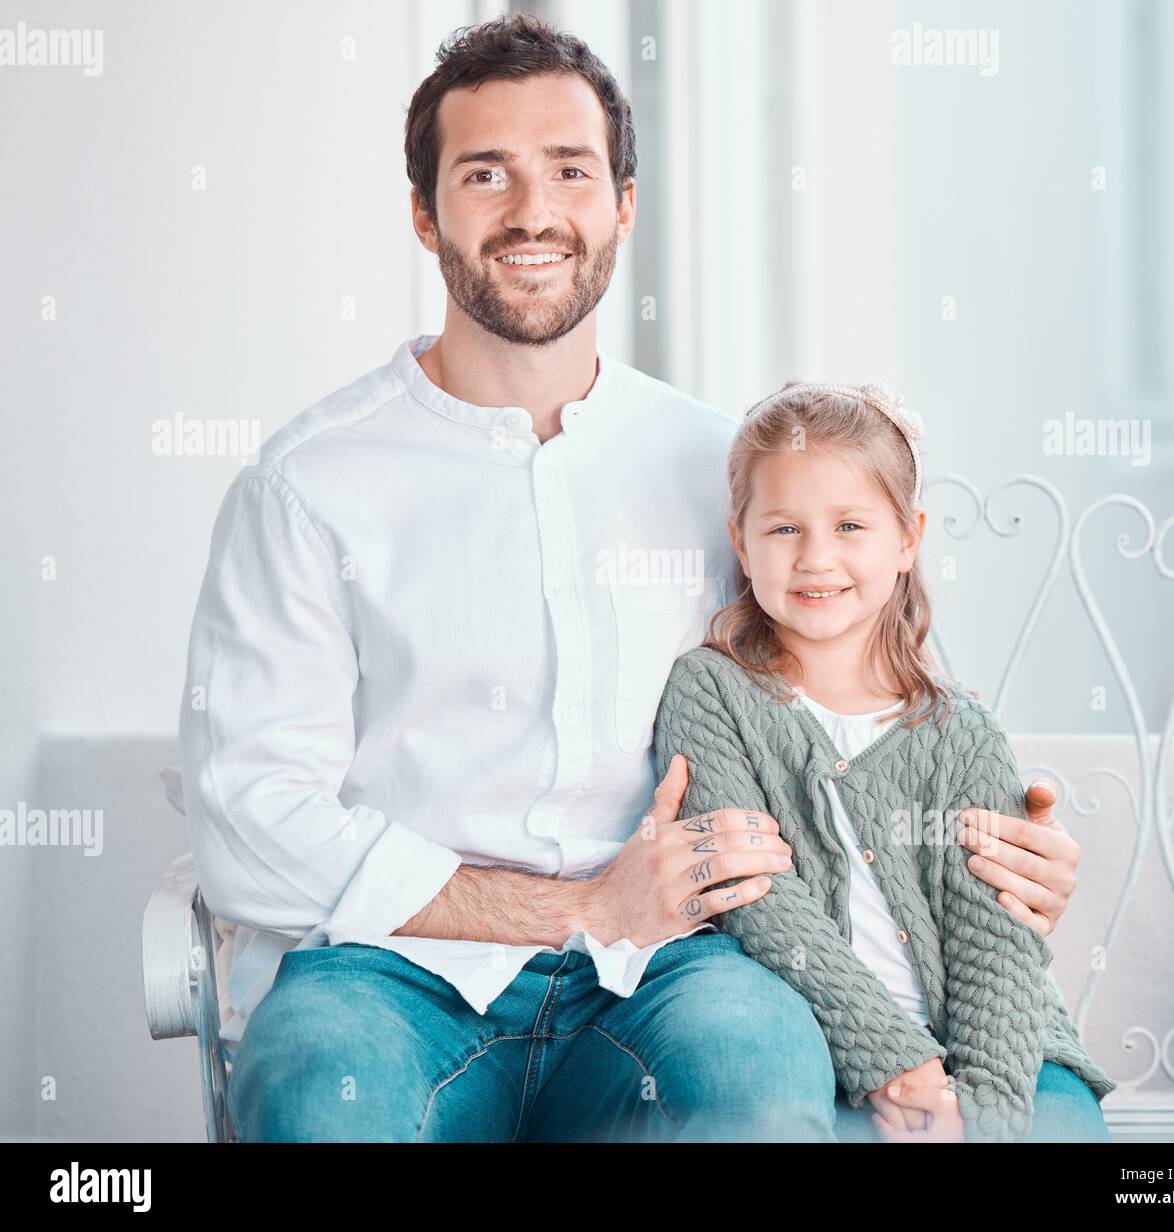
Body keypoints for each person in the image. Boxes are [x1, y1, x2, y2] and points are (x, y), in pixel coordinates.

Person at [178, 13, 1091, 1143]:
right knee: (317, 1092)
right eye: (483, 174)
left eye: (569, 169)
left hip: (677, 965)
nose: (532, 210)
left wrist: (990, 847)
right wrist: (572, 907)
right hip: (385, 976)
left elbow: (857, 706)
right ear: (424, 213)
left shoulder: (717, 461)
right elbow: (252, 823)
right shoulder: (308, 485)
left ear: (622, 203)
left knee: (755, 1087)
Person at [653, 380, 1115, 1142]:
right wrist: (895, 1064)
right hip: (820, 1043)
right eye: (783, 530)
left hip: (997, 1049)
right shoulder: (710, 693)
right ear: (740, 540)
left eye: (849, 525)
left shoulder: (961, 734)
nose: (817, 558)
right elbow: (752, 894)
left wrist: (985, 1112)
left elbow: (995, 936)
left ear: (907, 538)